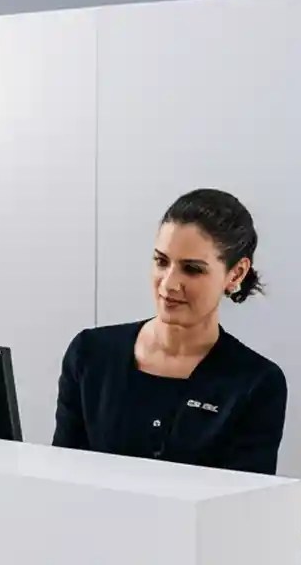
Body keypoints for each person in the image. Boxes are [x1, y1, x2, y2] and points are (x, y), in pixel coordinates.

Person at [53, 188, 287, 475]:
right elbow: (63, 478)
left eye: (192, 269)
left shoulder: (256, 383)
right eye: (161, 262)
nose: (168, 284)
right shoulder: (90, 354)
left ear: (236, 273)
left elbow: (247, 499)